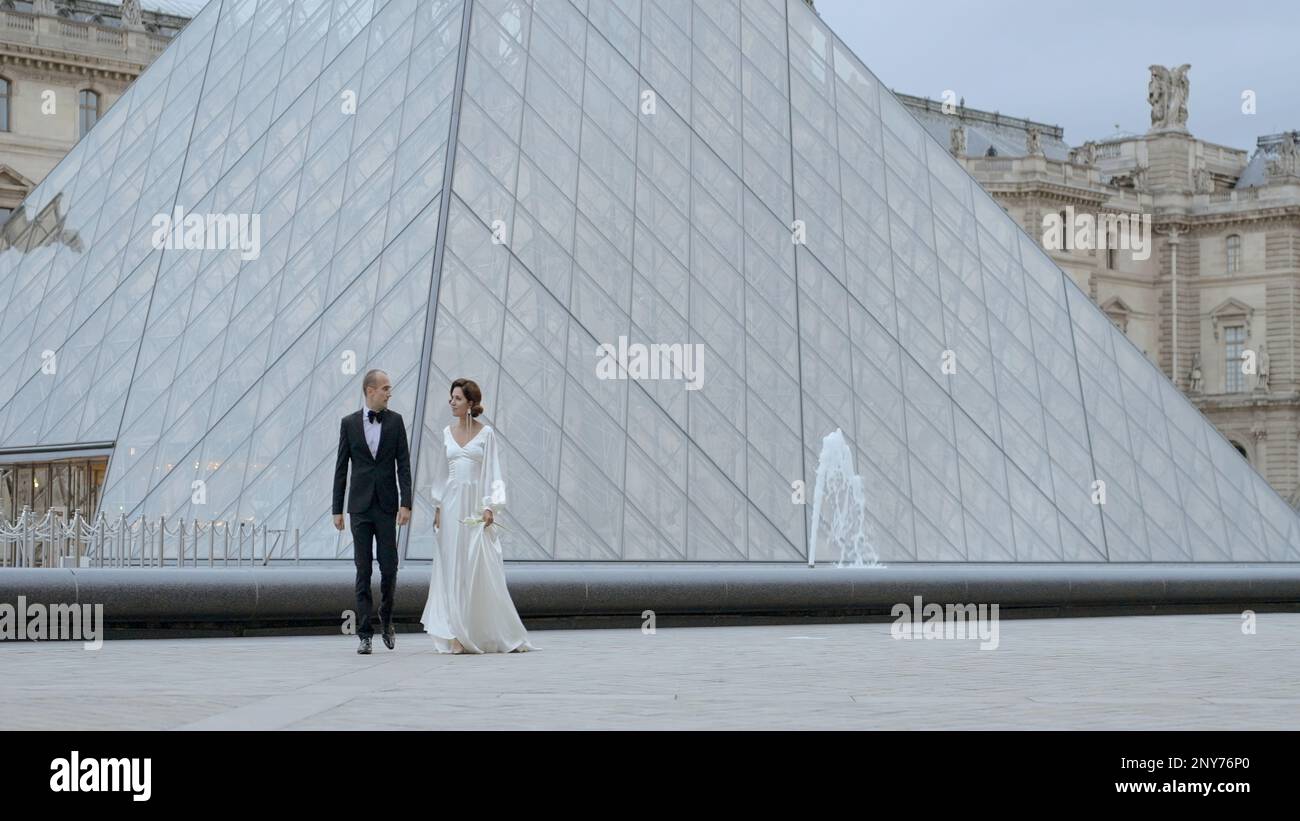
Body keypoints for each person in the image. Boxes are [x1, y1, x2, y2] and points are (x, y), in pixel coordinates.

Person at [419, 378, 537, 654]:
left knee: (476, 566)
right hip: (450, 508)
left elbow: (494, 472)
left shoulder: (487, 435)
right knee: (452, 567)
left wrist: (490, 506)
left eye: (457, 398)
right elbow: (441, 474)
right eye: (451, 397)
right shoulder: (446, 433)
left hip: (474, 508)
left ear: (470, 403)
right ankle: (456, 633)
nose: (452, 402)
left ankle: (477, 628)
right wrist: (437, 506)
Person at [332, 369, 411, 655]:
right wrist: (336, 509)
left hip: (387, 506)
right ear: (370, 391)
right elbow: (341, 468)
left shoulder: (396, 421)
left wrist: (406, 503)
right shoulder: (349, 424)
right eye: (386, 388)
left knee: (389, 567)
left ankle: (386, 620)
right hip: (359, 508)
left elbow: (403, 464)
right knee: (362, 569)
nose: (390, 392)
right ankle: (364, 634)